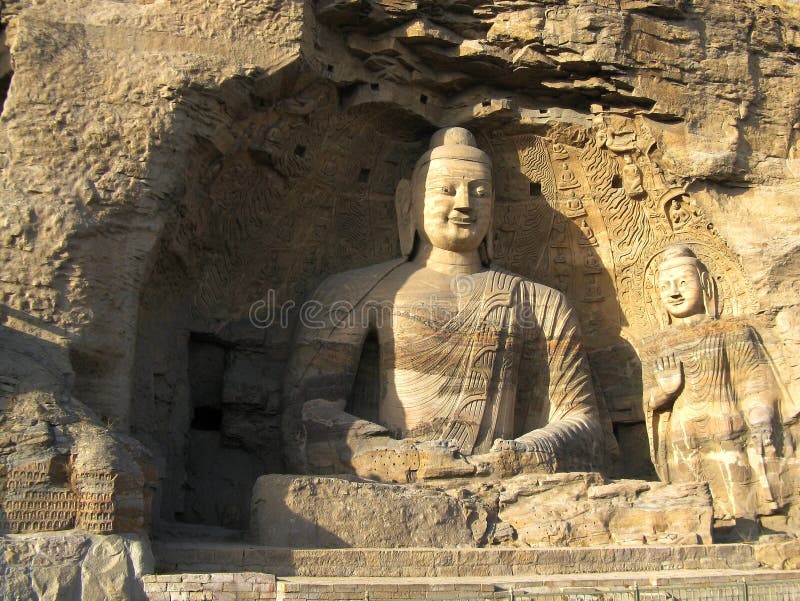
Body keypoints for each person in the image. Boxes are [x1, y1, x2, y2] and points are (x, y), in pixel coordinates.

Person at [282, 127, 615, 482]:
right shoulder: (357, 291)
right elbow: (304, 418)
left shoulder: (541, 302)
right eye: (446, 190)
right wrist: (401, 458)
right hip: (391, 482)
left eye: (480, 192)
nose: (464, 204)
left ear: (496, 208)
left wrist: (519, 456)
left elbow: (584, 426)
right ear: (408, 202)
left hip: (502, 478)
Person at [644, 244, 785, 520]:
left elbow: (754, 385)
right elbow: (649, 402)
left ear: (706, 284)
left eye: (684, 282)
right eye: (666, 286)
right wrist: (665, 391)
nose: (674, 291)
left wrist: (759, 419)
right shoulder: (654, 345)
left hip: (728, 430)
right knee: (690, 510)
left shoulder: (732, 331)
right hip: (681, 438)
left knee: (740, 505)